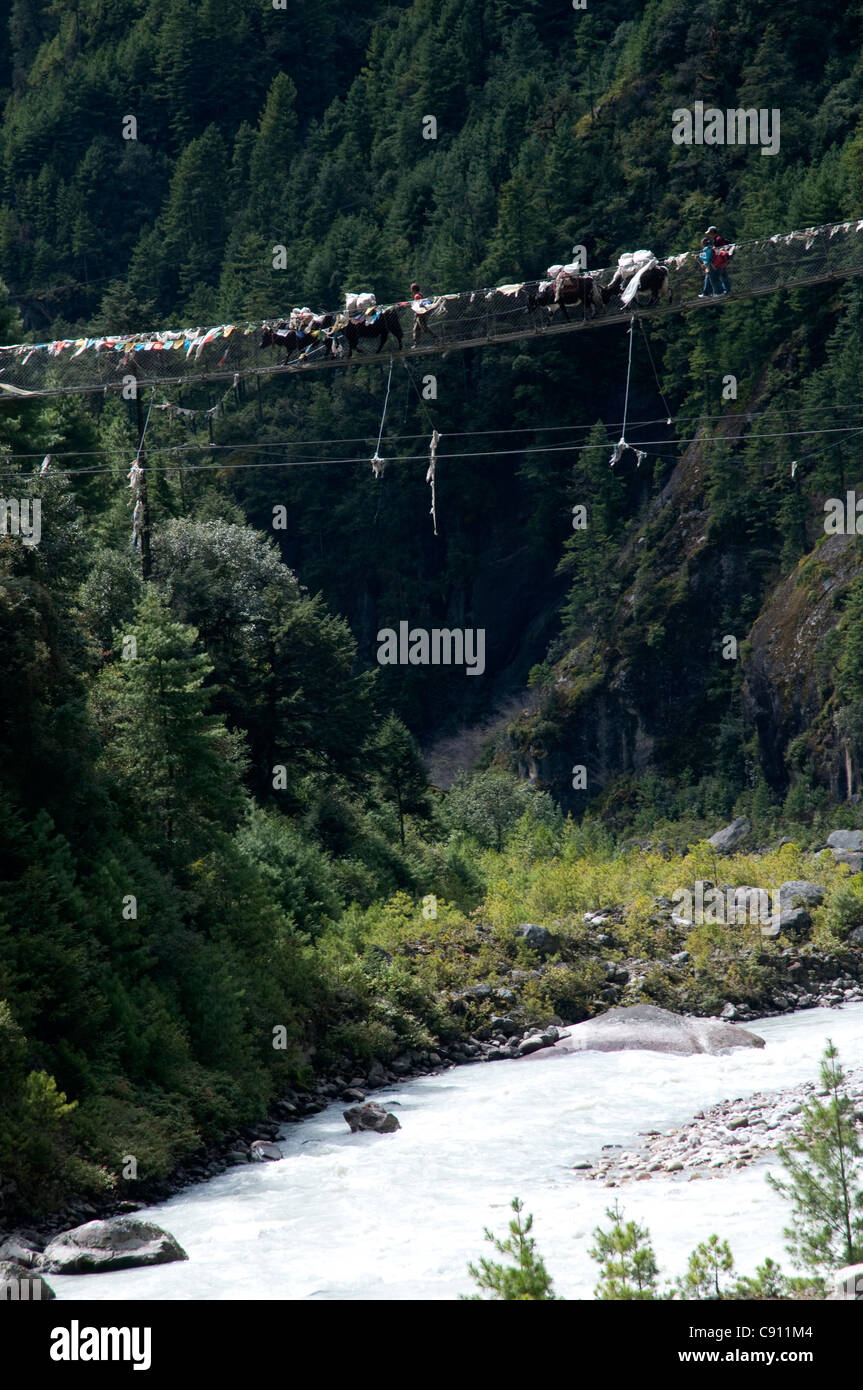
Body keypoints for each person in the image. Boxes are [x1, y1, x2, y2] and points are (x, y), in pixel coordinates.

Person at [409, 281, 436, 345]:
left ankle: (435, 337)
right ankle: (416, 343)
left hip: (420, 315)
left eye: (411, 289)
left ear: (414, 289)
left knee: (424, 328)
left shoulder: (417, 296)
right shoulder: (420, 294)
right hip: (420, 313)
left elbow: (419, 305)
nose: (411, 291)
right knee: (416, 329)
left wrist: (415, 311)